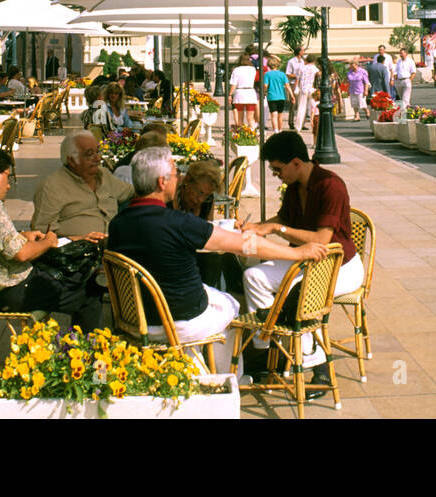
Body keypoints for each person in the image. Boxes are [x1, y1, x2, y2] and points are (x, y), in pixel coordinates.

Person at [109, 147, 325, 373]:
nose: (178, 178)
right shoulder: (178, 223)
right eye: (175, 174)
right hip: (179, 321)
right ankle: (230, 378)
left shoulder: (117, 224)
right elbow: (245, 245)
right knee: (231, 306)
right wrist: (298, 253)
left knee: (211, 296)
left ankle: (193, 365)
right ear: (162, 182)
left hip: (136, 320)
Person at [237, 131, 365, 392]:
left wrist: (273, 231)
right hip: (307, 262)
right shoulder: (294, 187)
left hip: (340, 268)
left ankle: (317, 365)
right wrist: (257, 227)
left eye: (277, 169)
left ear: (296, 163)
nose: (275, 175)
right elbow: (283, 220)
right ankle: (268, 347)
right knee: (253, 277)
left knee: (296, 295)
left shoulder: (330, 185)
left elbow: (321, 238)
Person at [0, 147, 99, 327]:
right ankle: (89, 351)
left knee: (62, 271)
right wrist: (49, 241)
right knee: (88, 293)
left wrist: (21, 235)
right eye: (7, 177)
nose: (8, 185)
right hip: (10, 291)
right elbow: (21, 254)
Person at [31, 130, 133, 239]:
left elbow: (133, 192)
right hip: (77, 253)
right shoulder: (51, 187)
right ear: (72, 161)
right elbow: (40, 235)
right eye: (90, 154)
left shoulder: (104, 175)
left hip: (116, 247)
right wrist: (78, 239)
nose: (98, 158)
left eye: (98, 152)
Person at [228, 54, 258, 130]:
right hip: (250, 93)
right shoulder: (253, 69)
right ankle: (252, 133)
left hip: (239, 93)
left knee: (240, 117)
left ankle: (240, 135)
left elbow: (233, 84)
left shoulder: (236, 70)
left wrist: (230, 94)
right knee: (250, 118)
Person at [261, 55, 290, 133]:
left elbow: (265, 85)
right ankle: (280, 130)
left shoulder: (267, 74)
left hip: (272, 96)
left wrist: (264, 92)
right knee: (280, 115)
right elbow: (287, 85)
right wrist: (292, 95)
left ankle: (276, 131)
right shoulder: (282, 74)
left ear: (269, 65)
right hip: (281, 96)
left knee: (274, 115)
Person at [292, 55, 319, 132]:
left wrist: (296, 87)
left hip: (303, 88)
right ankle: (314, 126)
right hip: (312, 89)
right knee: (313, 108)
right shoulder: (315, 69)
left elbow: (297, 79)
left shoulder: (302, 68)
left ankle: (298, 127)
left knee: (301, 107)